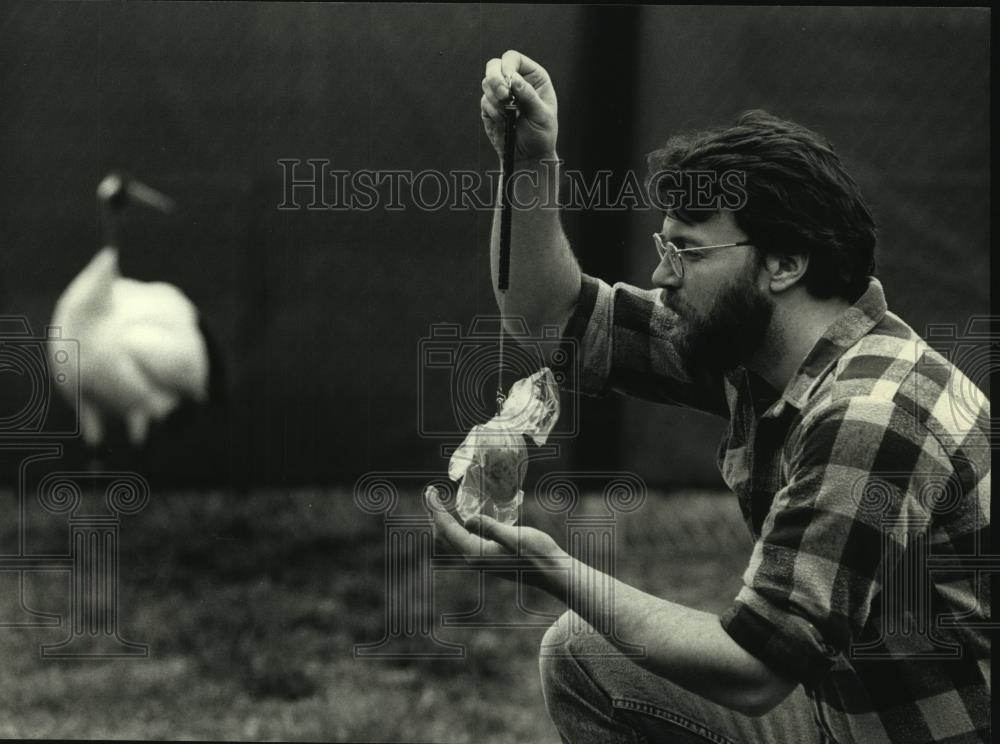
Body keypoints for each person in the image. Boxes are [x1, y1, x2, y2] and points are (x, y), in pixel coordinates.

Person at [428, 50, 991, 743]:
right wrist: (530, 158)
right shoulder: (757, 354)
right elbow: (551, 320)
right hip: (842, 712)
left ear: (784, 263)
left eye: (687, 253)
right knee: (585, 655)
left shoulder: (873, 413)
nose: (660, 277)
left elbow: (755, 670)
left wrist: (546, 565)